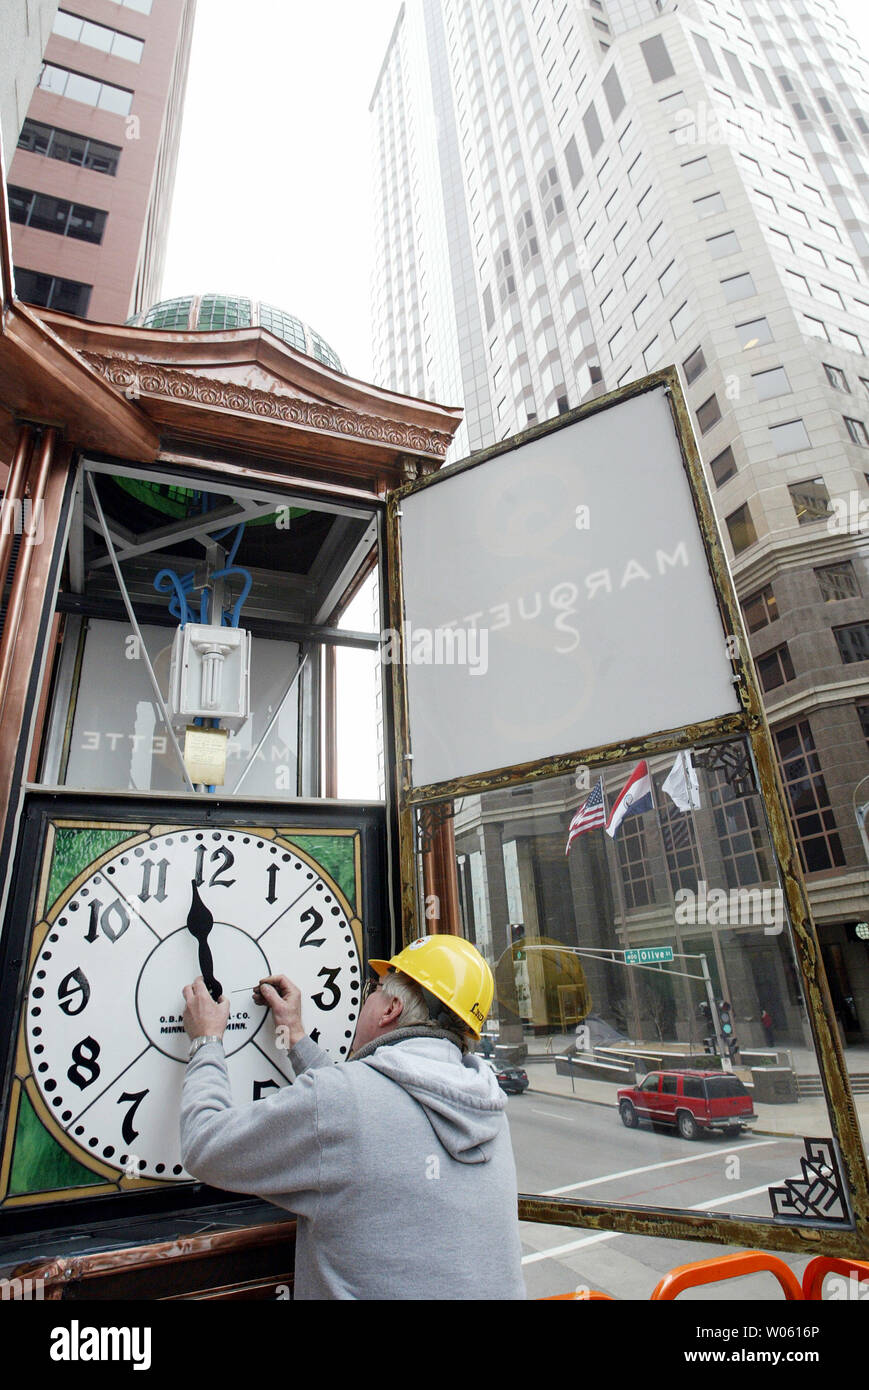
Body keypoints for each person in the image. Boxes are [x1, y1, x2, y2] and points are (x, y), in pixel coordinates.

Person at [180, 934, 526, 1300]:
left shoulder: (343, 1102)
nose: (367, 999)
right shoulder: (485, 1105)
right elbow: (374, 1112)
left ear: (390, 1009)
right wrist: (295, 1038)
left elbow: (204, 1145)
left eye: (372, 990)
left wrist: (206, 1040)